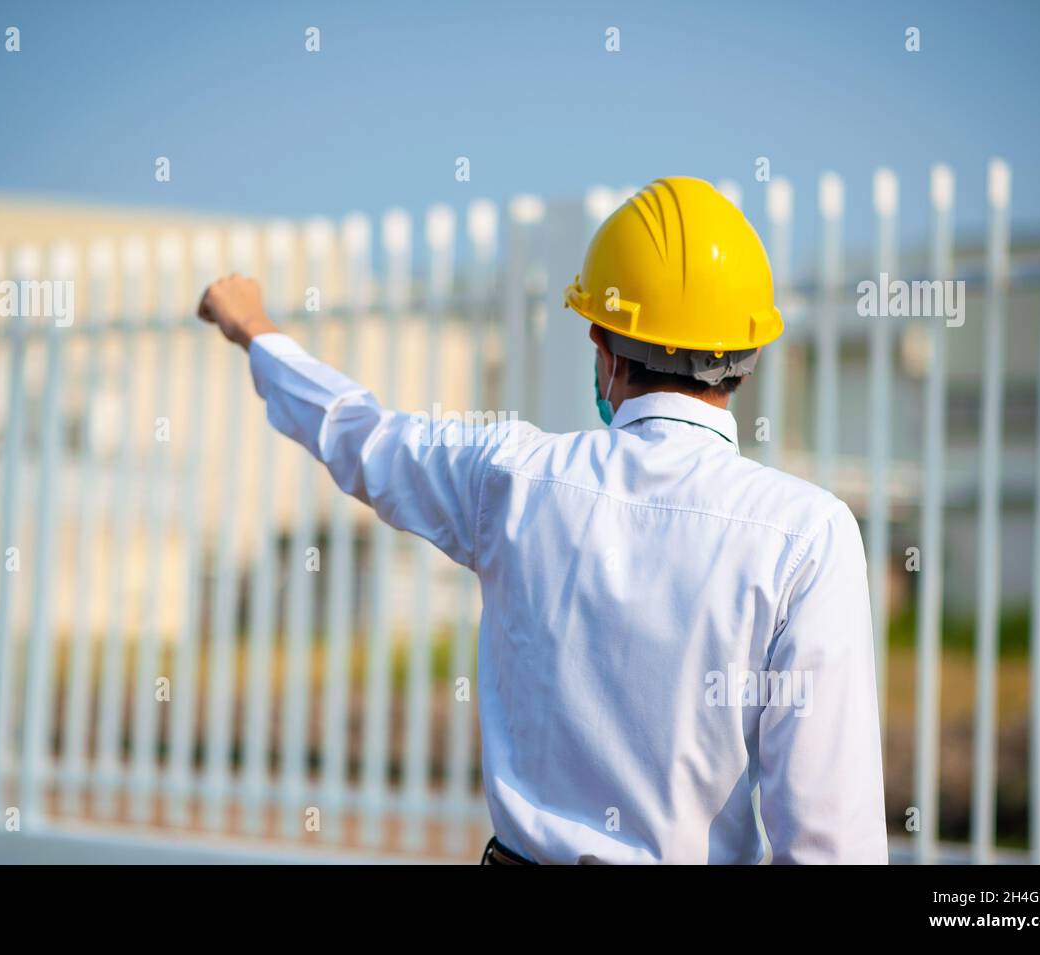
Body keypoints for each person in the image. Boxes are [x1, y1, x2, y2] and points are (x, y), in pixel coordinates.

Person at [197, 177, 887, 864]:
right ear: (751, 355)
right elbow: (831, 845)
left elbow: (362, 434)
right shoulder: (808, 536)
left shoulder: (510, 478)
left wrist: (254, 330)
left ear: (603, 344)